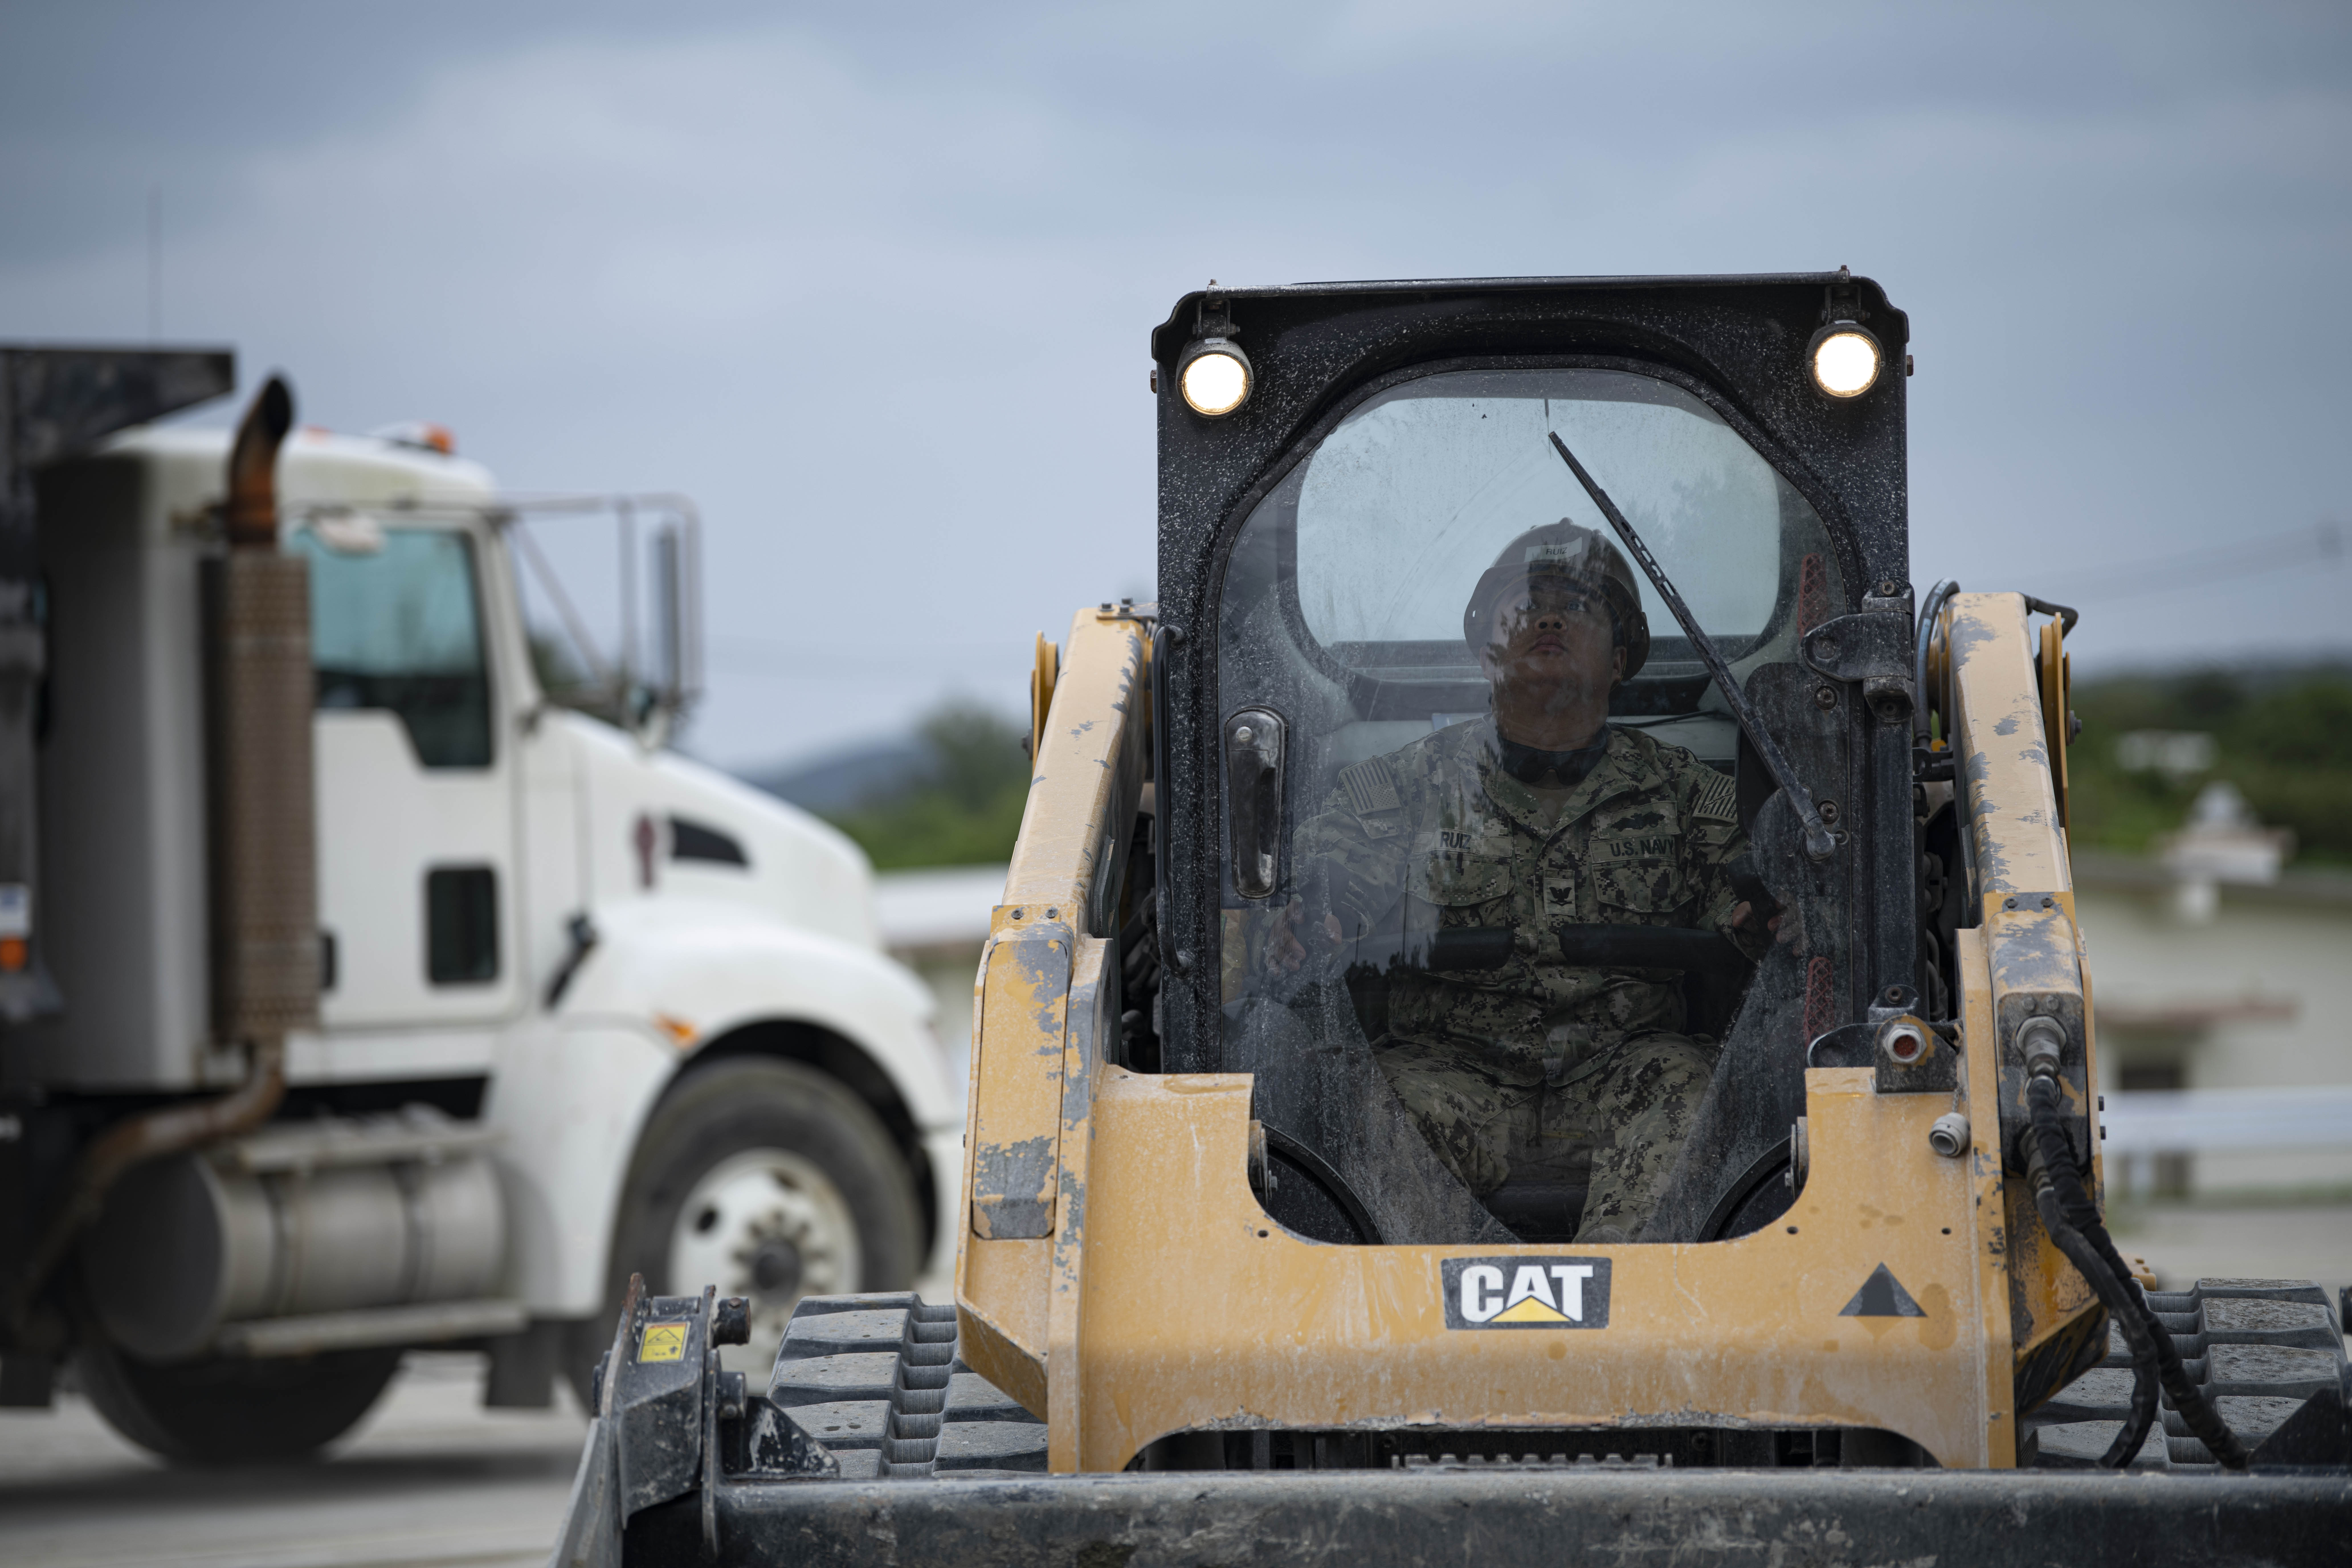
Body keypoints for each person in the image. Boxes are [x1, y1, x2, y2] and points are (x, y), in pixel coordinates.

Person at [1273, 521, 1772, 1244]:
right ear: (1485, 652)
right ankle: (1467, 1319)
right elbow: (1337, 871)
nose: (1547, 618)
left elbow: (1745, 900)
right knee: (1352, 1090)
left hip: (1625, 1073)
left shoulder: (1686, 792)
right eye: (1524, 605)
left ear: (1623, 656)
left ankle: (1629, 1319)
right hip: (1449, 1073)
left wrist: (1768, 913)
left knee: (1697, 1086)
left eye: (1580, 607)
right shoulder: (1407, 785)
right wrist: (1317, 910)